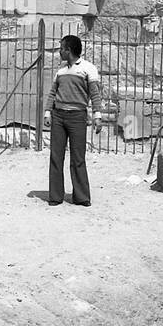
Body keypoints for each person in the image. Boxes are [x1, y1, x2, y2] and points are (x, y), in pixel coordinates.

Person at [43, 34, 102, 206]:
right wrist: (48, 113)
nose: (59, 51)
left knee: (78, 158)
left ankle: (82, 197)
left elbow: (95, 95)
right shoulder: (60, 72)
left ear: (68, 50)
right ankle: (55, 196)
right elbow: (52, 94)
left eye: (61, 48)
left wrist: (97, 116)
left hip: (77, 117)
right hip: (59, 116)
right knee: (56, 156)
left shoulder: (88, 68)